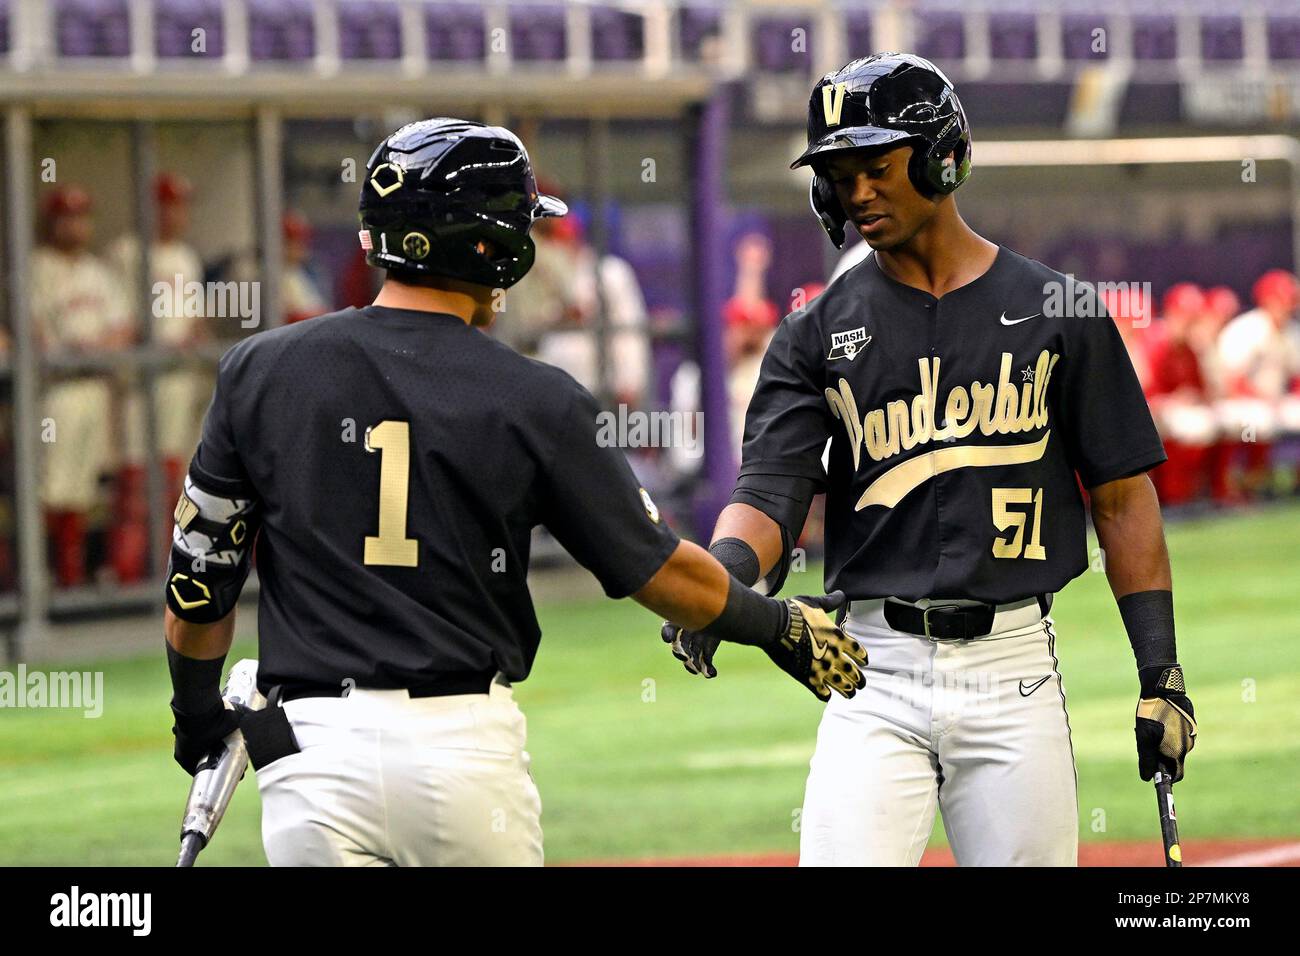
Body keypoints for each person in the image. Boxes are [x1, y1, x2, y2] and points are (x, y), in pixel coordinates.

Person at [160, 118, 867, 867]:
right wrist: (778, 628)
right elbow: (658, 573)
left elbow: (198, 586)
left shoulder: (257, 370)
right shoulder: (536, 398)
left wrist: (196, 718)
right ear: (491, 242)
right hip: (461, 752)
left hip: (310, 762)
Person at [662, 54, 1197, 866]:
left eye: (878, 166)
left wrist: (1161, 674)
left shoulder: (1064, 313)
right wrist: (722, 582)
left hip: (1014, 667)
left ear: (943, 157)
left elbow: (1122, 501)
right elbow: (769, 493)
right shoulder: (812, 334)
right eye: (839, 175)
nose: (859, 192)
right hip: (870, 670)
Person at [30, 186, 132, 587]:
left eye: (80, 216)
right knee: (52, 488)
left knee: (87, 491)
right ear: (50, 222)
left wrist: (97, 348)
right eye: (65, 217)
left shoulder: (97, 270)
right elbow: (34, 329)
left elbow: (123, 328)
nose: (75, 225)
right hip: (55, 389)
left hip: (94, 387)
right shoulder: (37, 266)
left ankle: (74, 580)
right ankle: (45, 582)